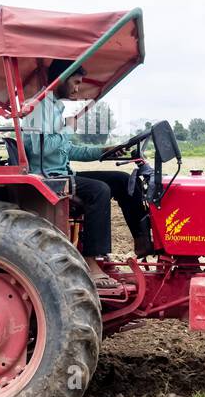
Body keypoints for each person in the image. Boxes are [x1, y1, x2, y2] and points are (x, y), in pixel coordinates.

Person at [22, 60, 148, 289]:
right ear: (61, 79)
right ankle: (91, 262)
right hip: (49, 177)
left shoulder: (55, 107)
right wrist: (68, 128)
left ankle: (144, 240)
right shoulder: (40, 107)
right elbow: (41, 148)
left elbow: (68, 150)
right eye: (76, 82)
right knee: (98, 190)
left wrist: (105, 151)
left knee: (122, 179)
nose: (78, 89)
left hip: (61, 172)